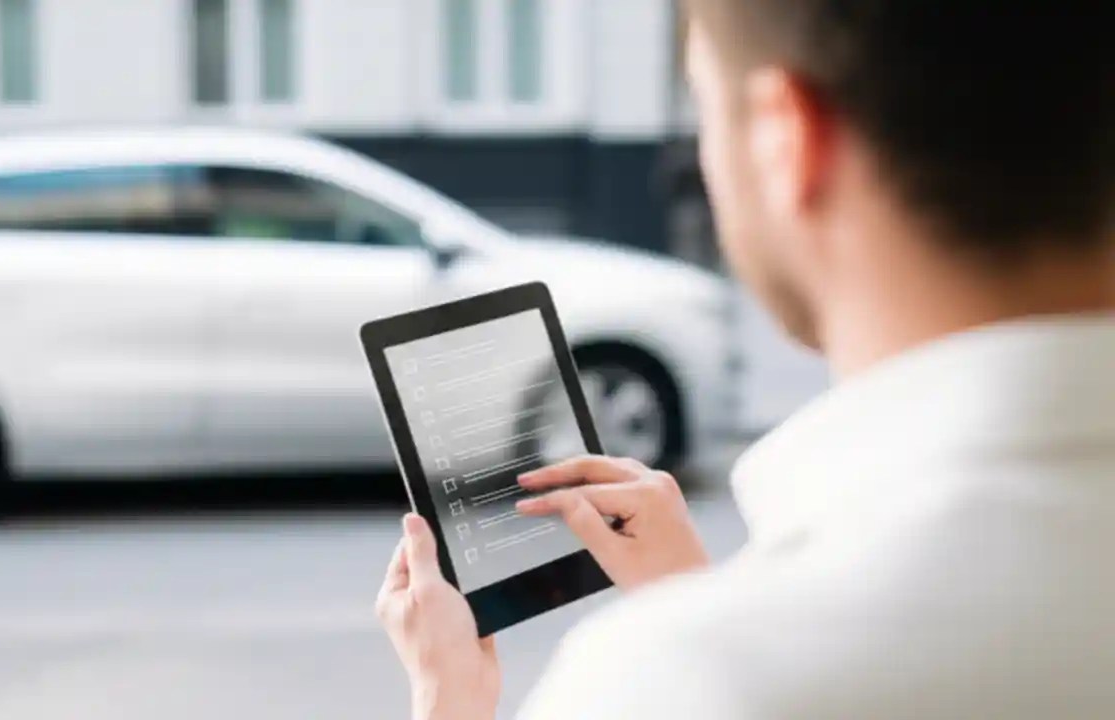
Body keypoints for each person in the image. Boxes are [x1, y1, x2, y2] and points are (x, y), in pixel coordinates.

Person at [376, 0, 1115, 716]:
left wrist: (448, 700)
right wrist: (693, 595)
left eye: (706, 111)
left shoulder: (679, 682)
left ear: (783, 139)